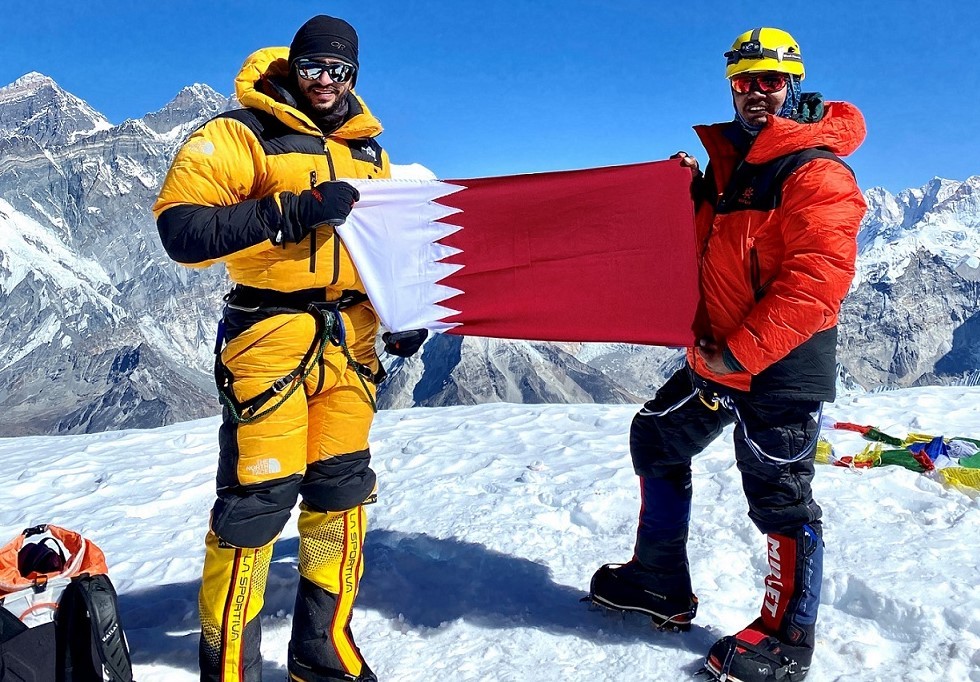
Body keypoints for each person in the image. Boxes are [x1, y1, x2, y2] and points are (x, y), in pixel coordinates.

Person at [587, 27, 866, 682]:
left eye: (771, 79)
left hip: (778, 367)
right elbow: (714, 251)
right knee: (657, 437)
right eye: (745, 81)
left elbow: (815, 285)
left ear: (793, 84)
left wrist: (737, 357)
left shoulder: (817, 171)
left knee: (781, 498)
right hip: (717, 357)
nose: (757, 92)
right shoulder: (731, 165)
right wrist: (683, 193)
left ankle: (788, 640)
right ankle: (657, 578)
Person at [154, 15, 427, 682]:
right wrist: (288, 212)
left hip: (351, 343)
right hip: (269, 336)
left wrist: (399, 312)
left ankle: (321, 650)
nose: (325, 81)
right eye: (312, 67)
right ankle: (231, 669)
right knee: (257, 504)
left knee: (341, 492)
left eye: (340, 70)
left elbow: (377, 249)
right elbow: (182, 231)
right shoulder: (241, 132)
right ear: (292, 66)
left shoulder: (369, 151)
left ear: (354, 74)